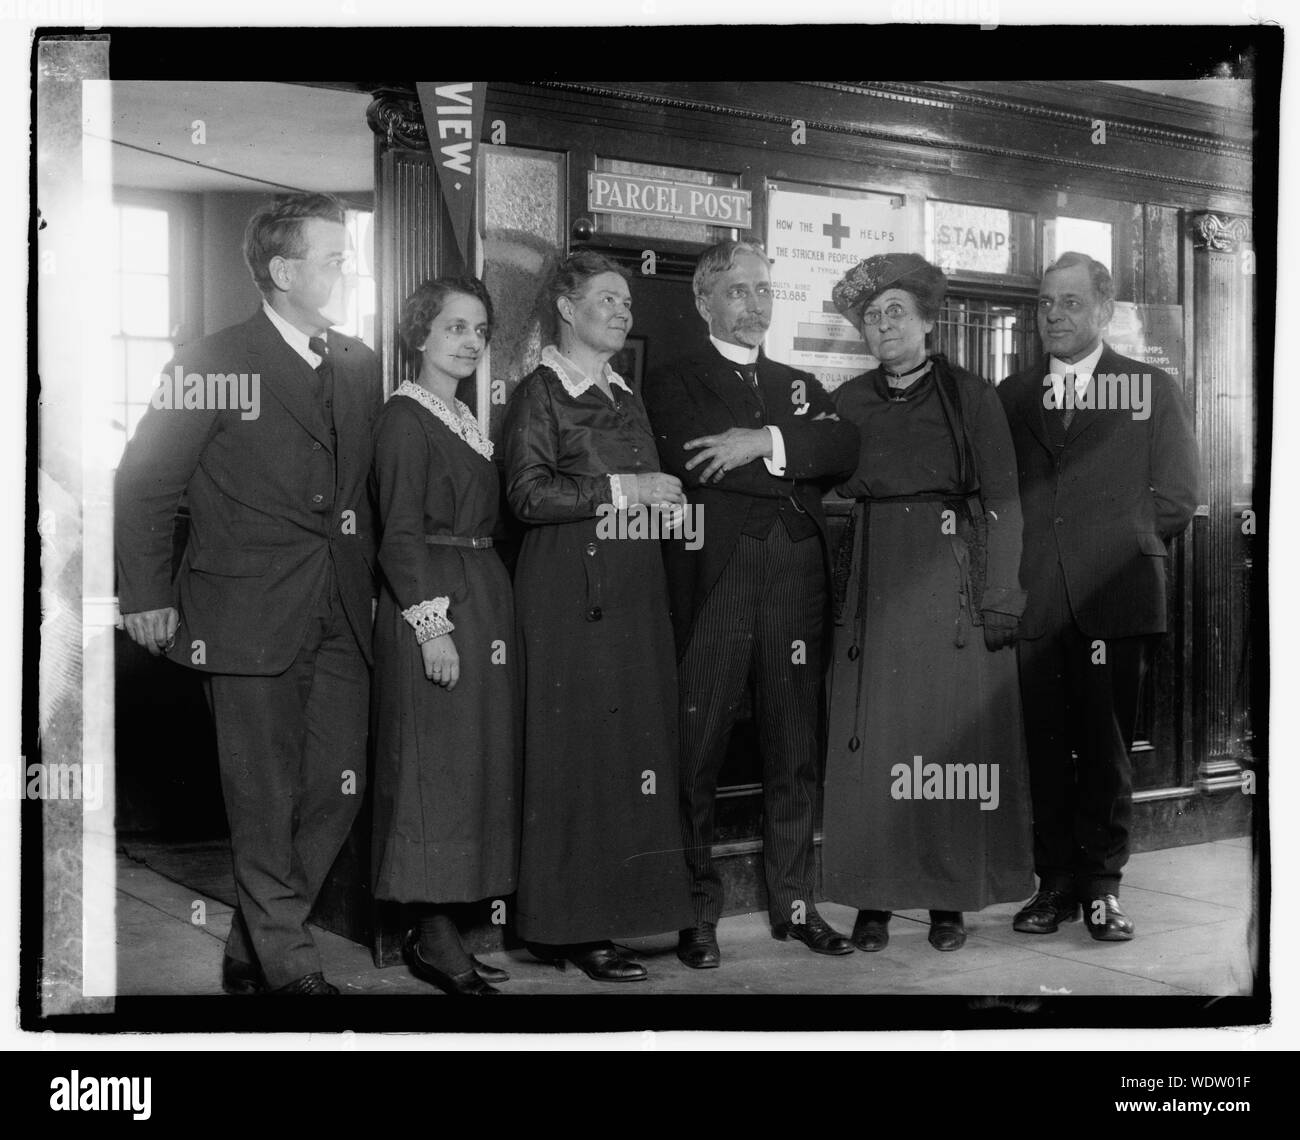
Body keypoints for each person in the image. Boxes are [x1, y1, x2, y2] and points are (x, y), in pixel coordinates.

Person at [115, 192, 381, 995]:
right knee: (264, 799)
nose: (346, 271)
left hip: (342, 612)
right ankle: (291, 966)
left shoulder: (357, 363)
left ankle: (253, 944)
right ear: (283, 271)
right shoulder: (210, 363)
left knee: (337, 788)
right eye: (333, 258)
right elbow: (145, 484)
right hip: (243, 616)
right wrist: (146, 595)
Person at [642, 240, 860, 970]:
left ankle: (795, 905)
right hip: (719, 574)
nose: (755, 304)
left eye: (764, 290)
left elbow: (844, 448)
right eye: (738, 290)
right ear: (704, 300)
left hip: (797, 574)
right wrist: (788, 459)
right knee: (695, 748)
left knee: (795, 745)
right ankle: (694, 913)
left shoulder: (798, 383)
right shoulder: (672, 379)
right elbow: (694, 460)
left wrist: (760, 440)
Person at [820, 253, 1034, 953]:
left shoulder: (970, 395)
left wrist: (1000, 596)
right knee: (877, 740)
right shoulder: (847, 401)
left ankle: (949, 900)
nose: (883, 325)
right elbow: (820, 483)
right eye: (871, 316)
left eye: (896, 312)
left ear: (926, 322)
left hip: (953, 581)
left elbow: (1003, 496)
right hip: (874, 578)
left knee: (947, 743)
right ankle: (873, 900)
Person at [998, 251, 1200, 942]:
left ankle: (1102, 890)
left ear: (1105, 310)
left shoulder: (1149, 387)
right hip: (1036, 604)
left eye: (1071, 302)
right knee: (1046, 747)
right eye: (1045, 302)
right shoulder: (1013, 394)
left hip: (1115, 600)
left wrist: (1103, 551)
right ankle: (1054, 885)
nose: (1053, 314)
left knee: (1105, 750)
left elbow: (1178, 497)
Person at [502, 250, 692, 982]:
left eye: (627, 302)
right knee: (577, 760)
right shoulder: (540, 393)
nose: (622, 311)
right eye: (607, 299)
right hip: (568, 595)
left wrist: (661, 504)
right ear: (566, 308)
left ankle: (613, 914)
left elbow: (630, 493)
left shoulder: (623, 392)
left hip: (632, 593)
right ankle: (571, 927)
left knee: (625, 758)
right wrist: (628, 488)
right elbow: (527, 496)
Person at [370, 277, 520, 995]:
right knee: (433, 772)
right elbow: (399, 534)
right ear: (419, 334)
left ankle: (445, 930)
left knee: (468, 771)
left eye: (480, 330)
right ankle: (429, 934)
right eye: (455, 327)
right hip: (434, 605)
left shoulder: (462, 417)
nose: (469, 342)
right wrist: (432, 628)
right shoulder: (404, 418)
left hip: (481, 599)